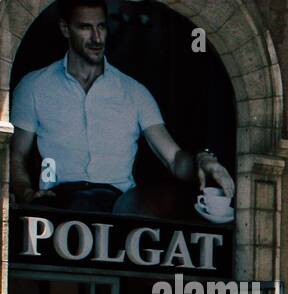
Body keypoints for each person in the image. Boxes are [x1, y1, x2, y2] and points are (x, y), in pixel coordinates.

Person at [8, 0, 235, 214]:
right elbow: (16, 155)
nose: (97, 38)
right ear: (65, 29)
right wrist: (26, 193)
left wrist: (204, 160)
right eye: (86, 28)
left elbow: (174, 159)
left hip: (119, 207)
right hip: (59, 203)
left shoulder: (135, 92)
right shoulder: (34, 85)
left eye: (101, 27)